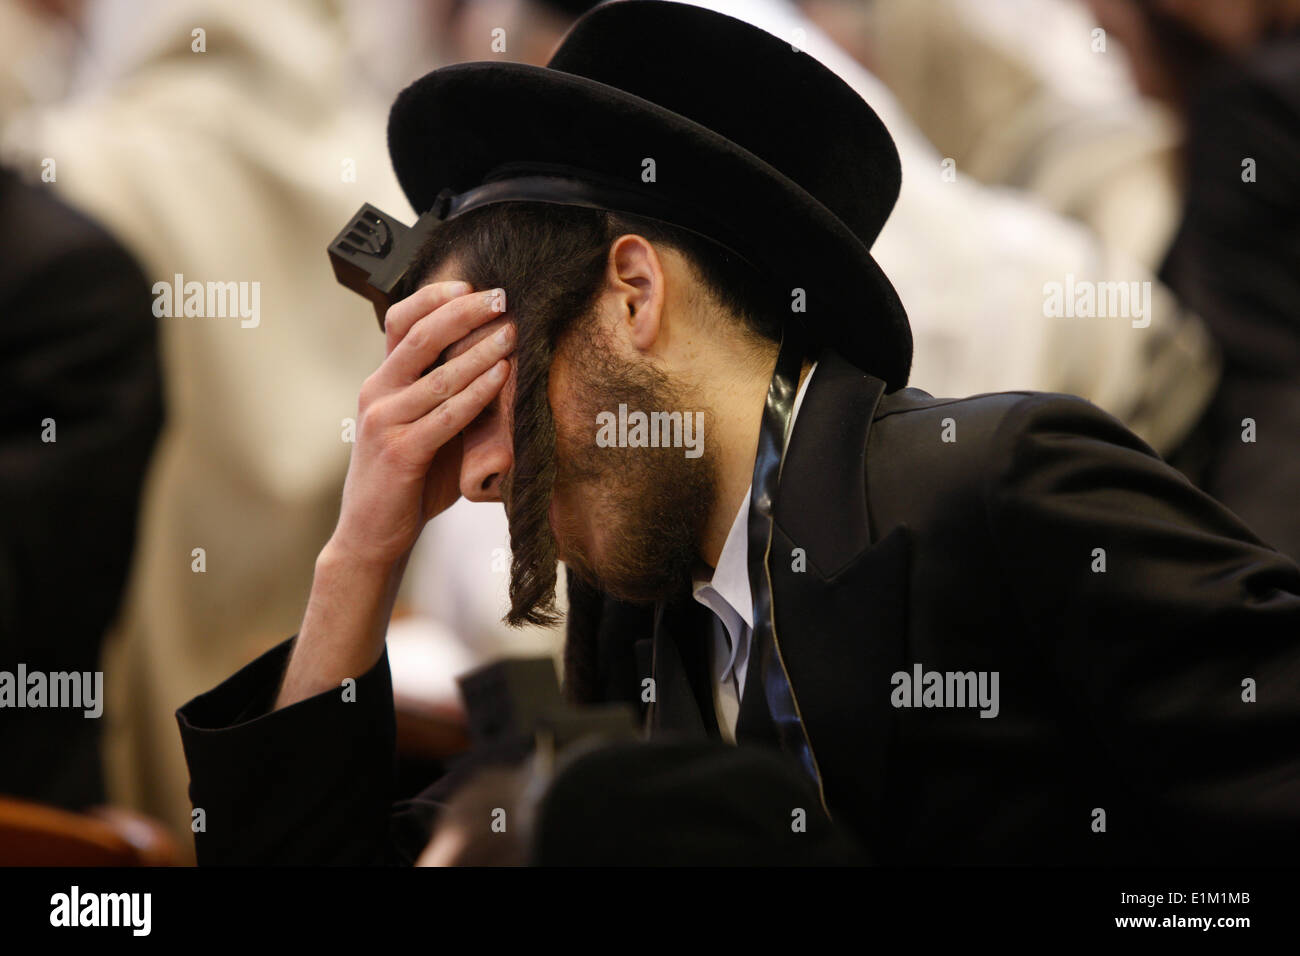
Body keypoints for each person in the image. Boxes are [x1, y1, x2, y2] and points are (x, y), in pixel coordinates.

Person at [178, 1, 1300, 865]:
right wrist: (356, 558)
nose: (467, 476)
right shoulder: (646, 611)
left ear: (631, 295)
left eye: (489, 396)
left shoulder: (993, 485)